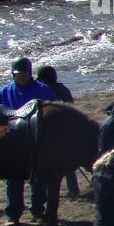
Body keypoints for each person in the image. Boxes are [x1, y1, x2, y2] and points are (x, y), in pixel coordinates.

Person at [0, 57, 57, 226]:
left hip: (38, 142)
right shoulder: (4, 93)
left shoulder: (44, 91)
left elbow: (54, 113)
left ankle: (37, 210)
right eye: (17, 74)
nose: (20, 77)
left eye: (24, 74)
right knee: (13, 180)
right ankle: (12, 214)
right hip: (12, 144)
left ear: (30, 73)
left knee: (38, 179)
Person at [36, 65, 80, 199]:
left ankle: (50, 192)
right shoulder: (63, 89)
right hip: (68, 129)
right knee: (67, 163)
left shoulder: (46, 92)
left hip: (54, 132)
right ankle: (73, 189)